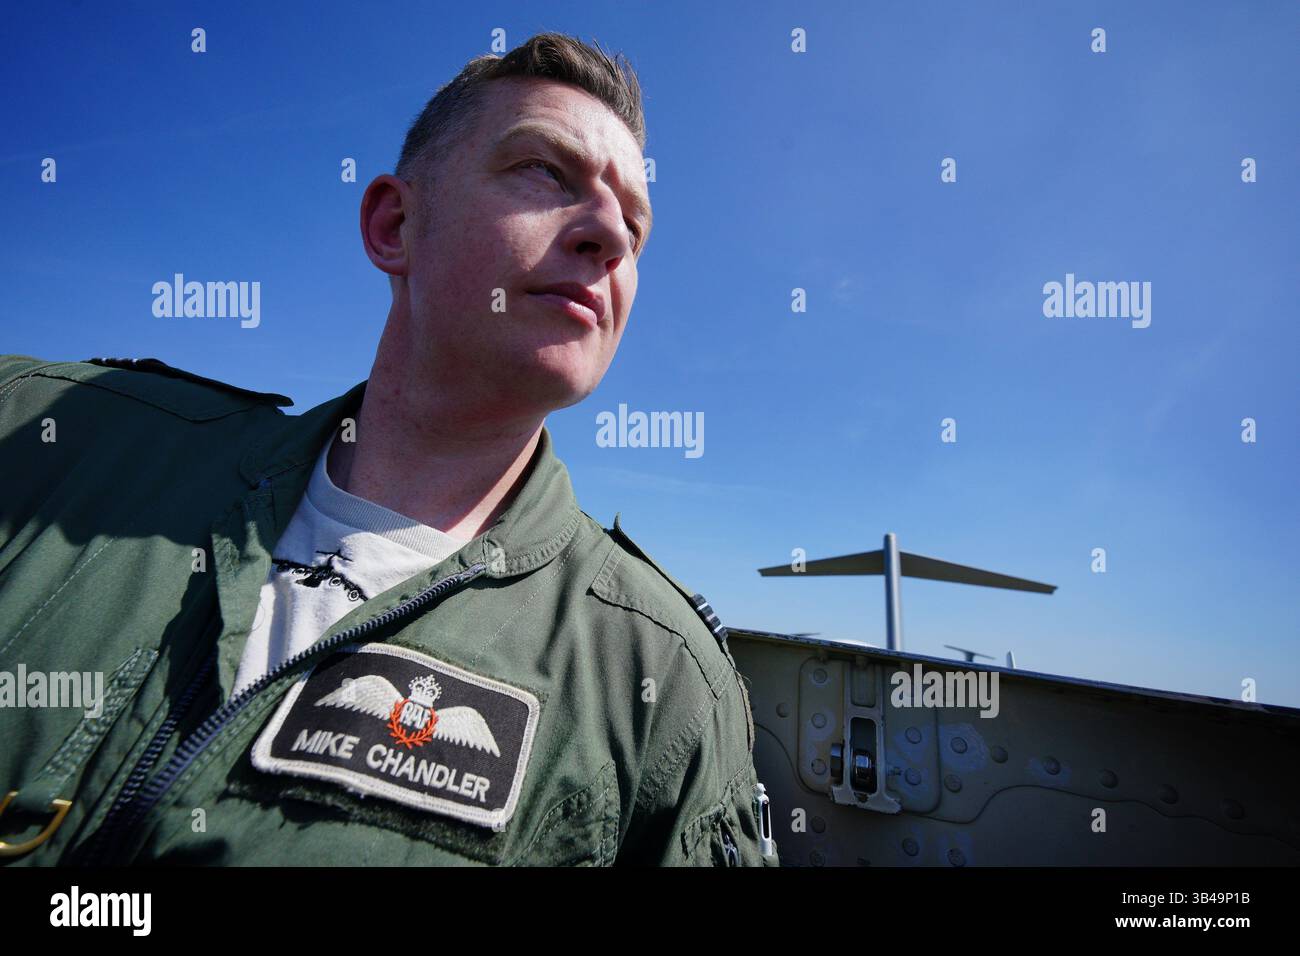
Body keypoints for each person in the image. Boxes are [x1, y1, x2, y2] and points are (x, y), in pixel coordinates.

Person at [0, 32, 777, 867]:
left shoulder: (661, 678)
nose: (610, 238)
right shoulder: (51, 433)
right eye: (547, 173)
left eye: (634, 224)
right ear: (395, 223)